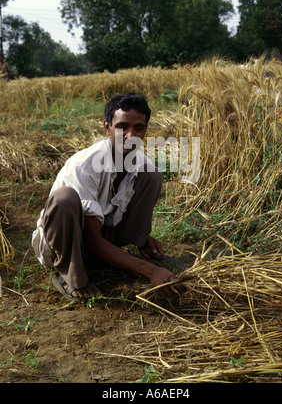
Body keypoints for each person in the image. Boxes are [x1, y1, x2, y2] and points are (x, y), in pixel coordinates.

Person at [32, 92, 181, 300]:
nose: (131, 135)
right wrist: (150, 271)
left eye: (139, 128)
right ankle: (69, 275)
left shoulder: (140, 163)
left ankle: (129, 251)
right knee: (64, 198)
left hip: (103, 234)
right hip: (73, 244)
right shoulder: (84, 165)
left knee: (152, 174)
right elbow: (92, 241)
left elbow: (116, 207)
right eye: (122, 127)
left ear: (146, 130)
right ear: (107, 128)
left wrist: (142, 237)